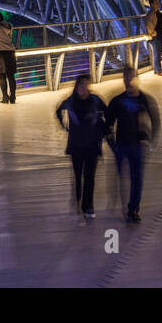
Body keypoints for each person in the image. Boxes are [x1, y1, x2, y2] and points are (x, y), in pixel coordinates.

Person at [105, 67, 160, 223]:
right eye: (125, 77)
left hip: (137, 145)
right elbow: (108, 125)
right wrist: (112, 145)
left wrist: (150, 140)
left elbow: (155, 119)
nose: (128, 80)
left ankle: (133, 209)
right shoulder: (117, 101)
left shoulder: (144, 99)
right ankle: (119, 202)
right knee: (120, 177)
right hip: (121, 145)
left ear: (136, 78)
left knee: (137, 179)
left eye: (131, 77)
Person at [55, 75, 109, 218]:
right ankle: (78, 199)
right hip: (76, 145)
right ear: (77, 87)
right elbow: (58, 110)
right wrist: (64, 125)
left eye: (86, 85)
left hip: (92, 145)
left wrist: (102, 128)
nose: (84, 89)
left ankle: (88, 207)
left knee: (89, 176)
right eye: (81, 86)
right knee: (78, 176)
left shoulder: (95, 100)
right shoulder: (71, 101)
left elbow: (108, 113)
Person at [145, 0, 162, 76]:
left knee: (158, 53)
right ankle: (158, 70)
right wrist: (154, 33)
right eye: (156, 3)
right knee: (157, 54)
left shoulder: (156, 12)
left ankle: (157, 70)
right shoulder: (151, 14)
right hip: (155, 37)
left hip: (159, 36)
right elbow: (149, 26)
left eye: (158, 3)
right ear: (152, 4)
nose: (158, 4)